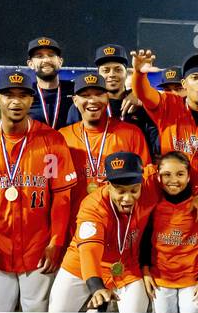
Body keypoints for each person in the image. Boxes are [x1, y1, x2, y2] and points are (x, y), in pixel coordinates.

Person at [0, 69, 77, 311]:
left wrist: (56, 242)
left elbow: (61, 198)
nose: (15, 101)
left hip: (39, 249)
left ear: (31, 100)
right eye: (8, 95)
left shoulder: (51, 140)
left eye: (23, 95)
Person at [50, 152, 154, 313]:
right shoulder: (93, 206)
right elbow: (89, 251)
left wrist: (197, 194)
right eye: (120, 191)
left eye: (134, 190)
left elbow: (171, 171)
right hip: (80, 266)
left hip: (126, 268)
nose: (127, 198)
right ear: (108, 186)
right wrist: (96, 286)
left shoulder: (151, 186)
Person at [132, 50, 198, 190]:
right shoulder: (168, 105)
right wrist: (139, 74)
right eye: (195, 78)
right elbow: (144, 94)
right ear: (184, 83)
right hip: (172, 193)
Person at [59, 72, 149, 221]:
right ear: (75, 100)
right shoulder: (62, 137)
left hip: (119, 224)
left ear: (107, 98)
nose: (92, 100)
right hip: (75, 225)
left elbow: (145, 180)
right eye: (85, 95)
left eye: (98, 94)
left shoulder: (131, 133)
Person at [139, 152, 198, 313]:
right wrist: (146, 271)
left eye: (180, 174)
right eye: (167, 175)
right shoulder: (154, 206)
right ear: (158, 177)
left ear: (189, 176)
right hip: (160, 280)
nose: (174, 180)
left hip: (193, 281)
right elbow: (145, 240)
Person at [93, 43, 160, 160]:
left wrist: (142, 98)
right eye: (106, 70)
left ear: (126, 73)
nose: (112, 74)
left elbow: (157, 144)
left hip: (137, 172)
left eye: (118, 69)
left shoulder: (141, 104)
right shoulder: (89, 106)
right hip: (98, 169)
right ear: (98, 73)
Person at [26, 37, 76, 129]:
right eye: (39, 56)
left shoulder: (76, 90)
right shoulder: (25, 94)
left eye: (51, 55)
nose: (46, 60)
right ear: (30, 64)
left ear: (60, 62)